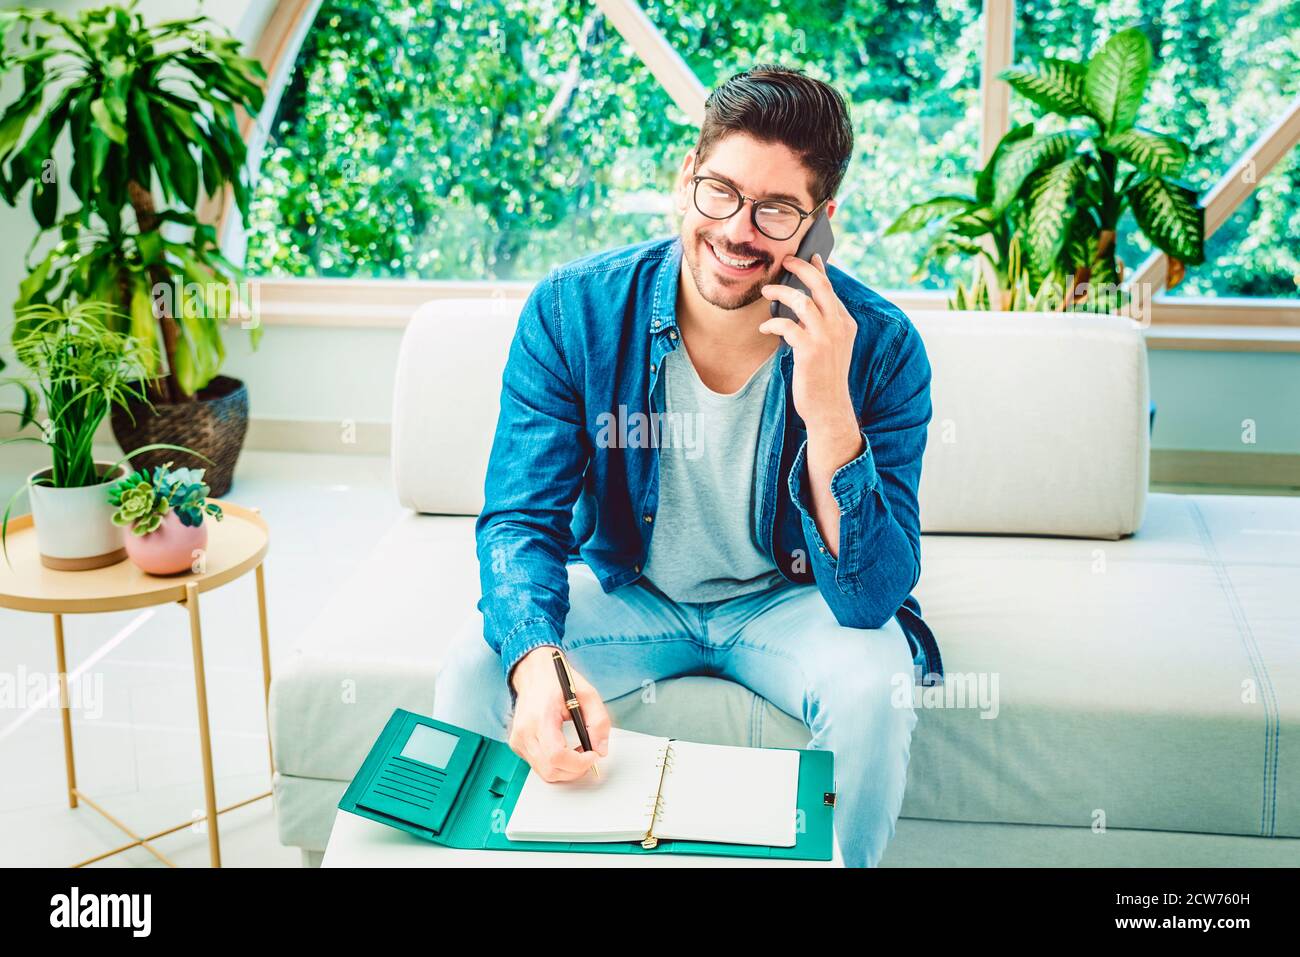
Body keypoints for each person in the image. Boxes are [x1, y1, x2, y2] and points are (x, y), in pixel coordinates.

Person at [433, 64, 943, 867]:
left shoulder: (879, 347)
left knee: (875, 686)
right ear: (687, 177)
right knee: (476, 662)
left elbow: (873, 594)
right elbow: (520, 519)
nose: (738, 229)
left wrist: (828, 407)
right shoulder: (574, 311)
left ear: (820, 223)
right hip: (635, 589)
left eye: (776, 210)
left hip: (790, 601)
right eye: (721, 192)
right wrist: (537, 657)